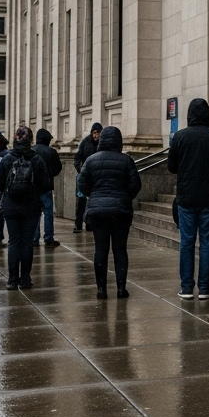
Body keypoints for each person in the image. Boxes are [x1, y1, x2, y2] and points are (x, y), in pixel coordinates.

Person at [168, 98, 209, 300]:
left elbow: (171, 167)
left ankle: (186, 288)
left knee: (186, 242)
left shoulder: (180, 137)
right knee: (207, 242)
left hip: (186, 196)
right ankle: (205, 287)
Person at [78, 126, 142, 299]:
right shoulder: (126, 160)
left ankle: (101, 289)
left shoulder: (91, 160)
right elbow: (135, 185)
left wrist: (95, 195)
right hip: (121, 210)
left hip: (98, 210)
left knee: (101, 249)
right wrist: (124, 196)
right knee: (120, 249)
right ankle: (121, 289)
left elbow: (82, 184)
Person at [0, 127, 52, 289]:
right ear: (30, 140)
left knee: (14, 241)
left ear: (15, 139)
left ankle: (12, 279)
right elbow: (46, 184)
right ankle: (26, 278)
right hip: (31, 206)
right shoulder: (36, 159)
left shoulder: (7, 159)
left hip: (11, 206)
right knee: (27, 242)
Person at [32, 128, 63, 247]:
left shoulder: (31, 150)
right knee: (48, 213)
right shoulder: (51, 152)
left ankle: (34, 238)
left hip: (33, 187)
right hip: (46, 186)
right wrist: (50, 174)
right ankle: (49, 237)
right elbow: (57, 168)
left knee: (35, 214)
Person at [72, 123, 102, 233]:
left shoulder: (103, 144)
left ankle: (90, 224)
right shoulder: (85, 143)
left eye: (98, 133)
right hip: (84, 176)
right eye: (94, 133)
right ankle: (78, 224)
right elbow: (77, 159)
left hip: (96, 177)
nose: (96, 136)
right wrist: (81, 171)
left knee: (92, 202)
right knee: (81, 201)